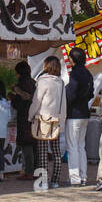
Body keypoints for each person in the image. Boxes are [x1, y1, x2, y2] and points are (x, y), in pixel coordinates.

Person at [28, 56, 67, 190]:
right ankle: (55, 180)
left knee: (43, 152)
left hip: (42, 120)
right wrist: (62, 119)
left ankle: (43, 181)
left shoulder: (42, 81)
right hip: (56, 120)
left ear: (46, 66)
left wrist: (30, 116)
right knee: (56, 153)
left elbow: (36, 101)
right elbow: (63, 103)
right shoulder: (61, 83)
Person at [63, 47, 96, 185]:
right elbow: (91, 93)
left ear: (73, 59)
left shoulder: (75, 73)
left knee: (72, 146)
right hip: (84, 113)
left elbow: (71, 93)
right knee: (81, 146)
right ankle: (83, 176)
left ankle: (74, 178)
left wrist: (66, 103)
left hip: (74, 114)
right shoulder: (88, 73)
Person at [8, 61, 36, 180]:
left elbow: (19, 103)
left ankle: (29, 171)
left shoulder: (20, 84)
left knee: (27, 146)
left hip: (24, 118)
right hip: (34, 117)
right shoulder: (34, 83)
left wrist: (13, 97)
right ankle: (35, 170)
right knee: (34, 145)